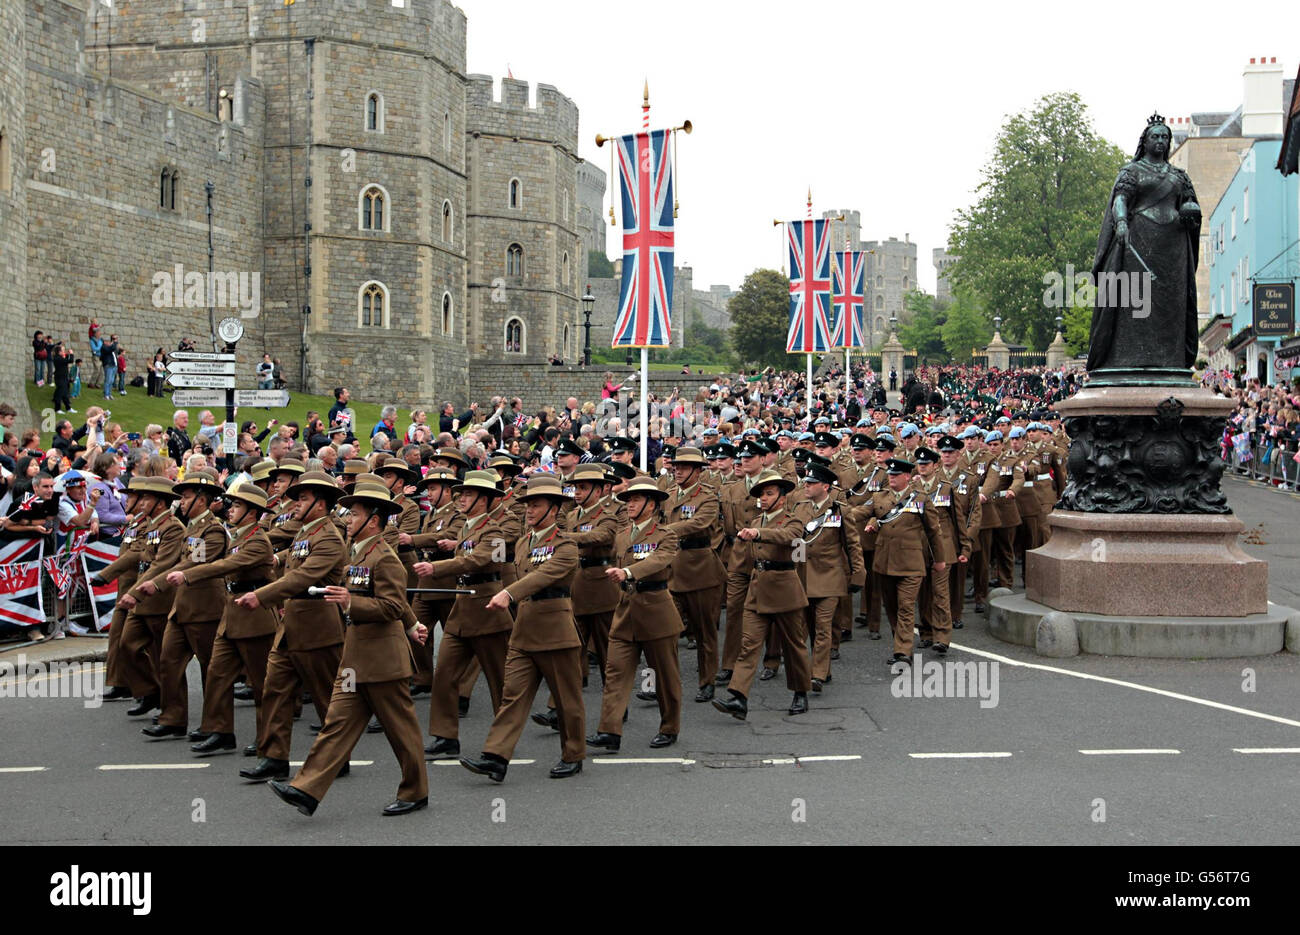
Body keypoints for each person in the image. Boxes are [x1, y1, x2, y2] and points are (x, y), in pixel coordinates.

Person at [268, 475, 430, 817]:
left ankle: (415, 791)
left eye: (353, 514)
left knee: (402, 732)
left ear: (373, 520)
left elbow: (391, 605)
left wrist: (350, 604)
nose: (346, 519)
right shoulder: (357, 553)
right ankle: (306, 789)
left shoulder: (384, 558)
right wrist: (412, 624)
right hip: (355, 655)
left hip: (384, 659)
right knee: (336, 724)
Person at [459, 473, 584, 782]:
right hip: (525, 628)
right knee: (512, 695)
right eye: (527, 505)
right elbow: (512, 574)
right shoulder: (524, 543)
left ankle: (573, 754)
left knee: (566, 699)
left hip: (555, 630)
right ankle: (496, 757)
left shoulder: (566, 544)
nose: (528, 510)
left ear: (554, 509)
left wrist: (510, 594)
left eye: (536, 505)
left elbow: (542, 576)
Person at [237, 470, 347, 782]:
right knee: (275, 689)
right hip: (292, 623)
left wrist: (261, 596)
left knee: (327, 698)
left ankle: (338, 757)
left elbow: (301, 577)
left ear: (321, 504)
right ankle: (274, 757)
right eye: (296, 497)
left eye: (303, 498)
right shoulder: (305, 533)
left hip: (317, 626)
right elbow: (289, 567)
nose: (296, 503)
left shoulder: (328, 538)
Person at [415, 470, 512, 759]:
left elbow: (480, 559)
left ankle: (502, 742)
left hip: (487, 610)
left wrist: (438, 568)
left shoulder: (493, 530)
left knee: (500, 682)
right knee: (444, 674)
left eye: (468, 494)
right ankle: (445, 737)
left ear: (483, 499)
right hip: (462, 610)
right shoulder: (465, 528)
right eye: (461, 493)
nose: (461, 498)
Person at [176, 481, 277, 756]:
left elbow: (229, 565)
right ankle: (220, 730)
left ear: (253, 512)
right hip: (232, 614)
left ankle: (266, 737)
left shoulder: (257, 540)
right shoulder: (237, 535)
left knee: (261, 683)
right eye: (233, 505)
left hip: (255, 618)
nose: (231, 509)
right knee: (217, 674)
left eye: (239, 505)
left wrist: (189, 574)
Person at [586, 477, 683, 752]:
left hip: (656, 611)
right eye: (628, 500)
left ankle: (669, 727)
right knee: (615, 672)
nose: (630, 504)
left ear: (651, 505)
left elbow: (658, 561)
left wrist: (628, 572)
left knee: (664, 676)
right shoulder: (620, 535)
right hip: (626, 610)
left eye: (636, 500)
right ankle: (609, 730)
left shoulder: (666, 535)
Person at [136, 470, 229, 740]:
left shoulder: (212, 529)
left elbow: (193, 563)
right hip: (182, 608)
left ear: (202, 500)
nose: (181, 502)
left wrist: (159, 582)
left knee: (211, 669)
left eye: (186, 497)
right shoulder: (191, 527)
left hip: (205, 608)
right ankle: (173, 718)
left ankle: (216, 726)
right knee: (169, 661)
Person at [713, 469, 811, 719]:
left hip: (785, 589)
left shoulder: (792, 519)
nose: (764, 499)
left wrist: (759, 534)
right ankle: (739, 697)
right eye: (762, 495)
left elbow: (790, 537)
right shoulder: (756, 521)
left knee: (794, 645)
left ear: (782, 496)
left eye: (770, 494)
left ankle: (800, 692)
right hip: (757, 590)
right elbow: (745, 557)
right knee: (748, 646)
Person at [862, 458, 947, 667]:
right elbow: (862, 512)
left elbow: (934, 531)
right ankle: (899, 642)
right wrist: (843, 513)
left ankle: (903, 651)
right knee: (891, 607)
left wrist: (939, 559)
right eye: (890, 474)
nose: (891, 477)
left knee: (906, 607)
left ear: (907, 477)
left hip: (911, 563)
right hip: (884, 561)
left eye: (895, 474)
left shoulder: (921, 498)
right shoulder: (879, 496)